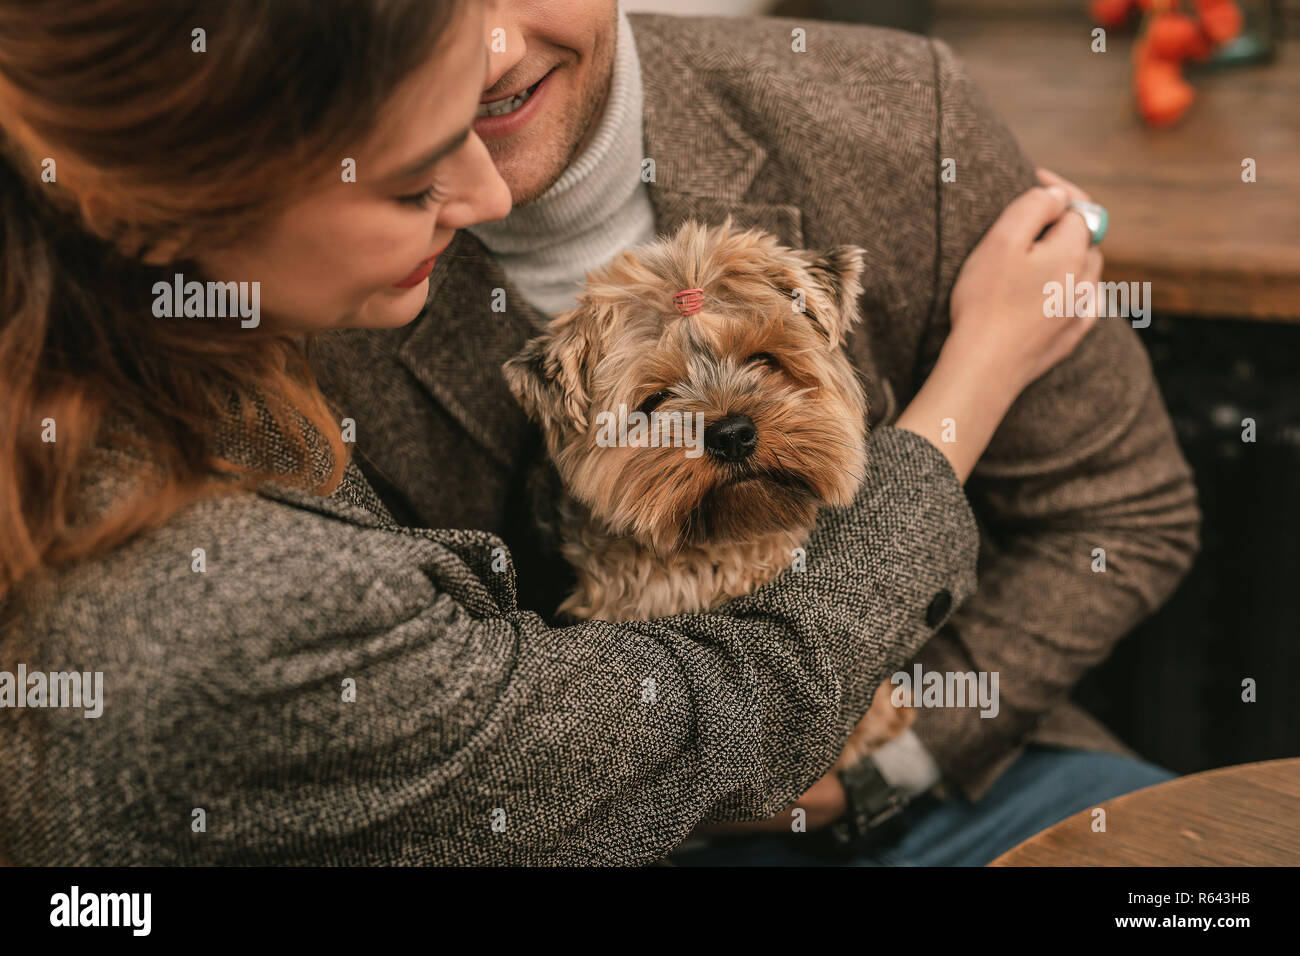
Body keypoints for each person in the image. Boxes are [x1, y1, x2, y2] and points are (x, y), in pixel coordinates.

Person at [0, 0, 1176, 866]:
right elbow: (671, 729)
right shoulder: (270, 330)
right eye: (414, 180)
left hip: (948, 771)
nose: (485, 194)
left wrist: (893, 762)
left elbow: (1123, 508)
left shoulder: (897, 115)